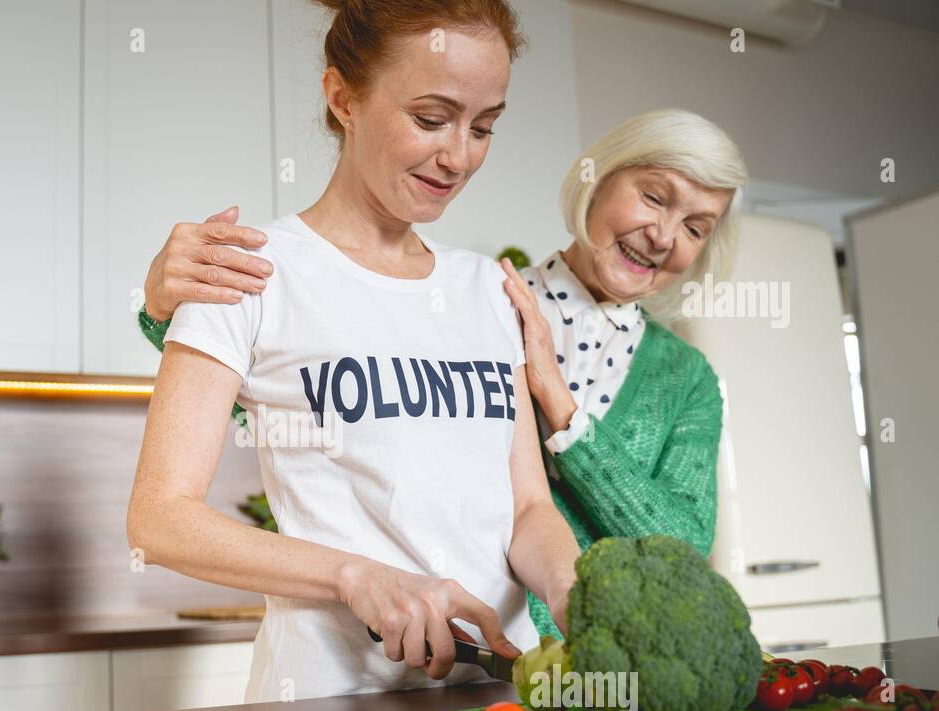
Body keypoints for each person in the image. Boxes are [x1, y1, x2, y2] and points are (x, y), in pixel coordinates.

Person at [137, 107, 747, 641]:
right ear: (597, 179)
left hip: (560, 661)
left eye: (696, 228)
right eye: (654, 196)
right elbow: (294, 410)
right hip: (401, 645)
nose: (665, 236)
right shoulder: (482, 292)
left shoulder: (684, 375)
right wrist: (169, 314)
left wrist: (562, 411)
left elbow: (679, 545)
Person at [127, 0, 580, 703]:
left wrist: (574, 589)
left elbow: (528, 509)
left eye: (484, 126)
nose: (459, 155)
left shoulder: (487, 289)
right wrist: (355, 576)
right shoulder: (246, 270)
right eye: (430, 119)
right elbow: (159, 518)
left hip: (494, 704)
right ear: (343, 98)